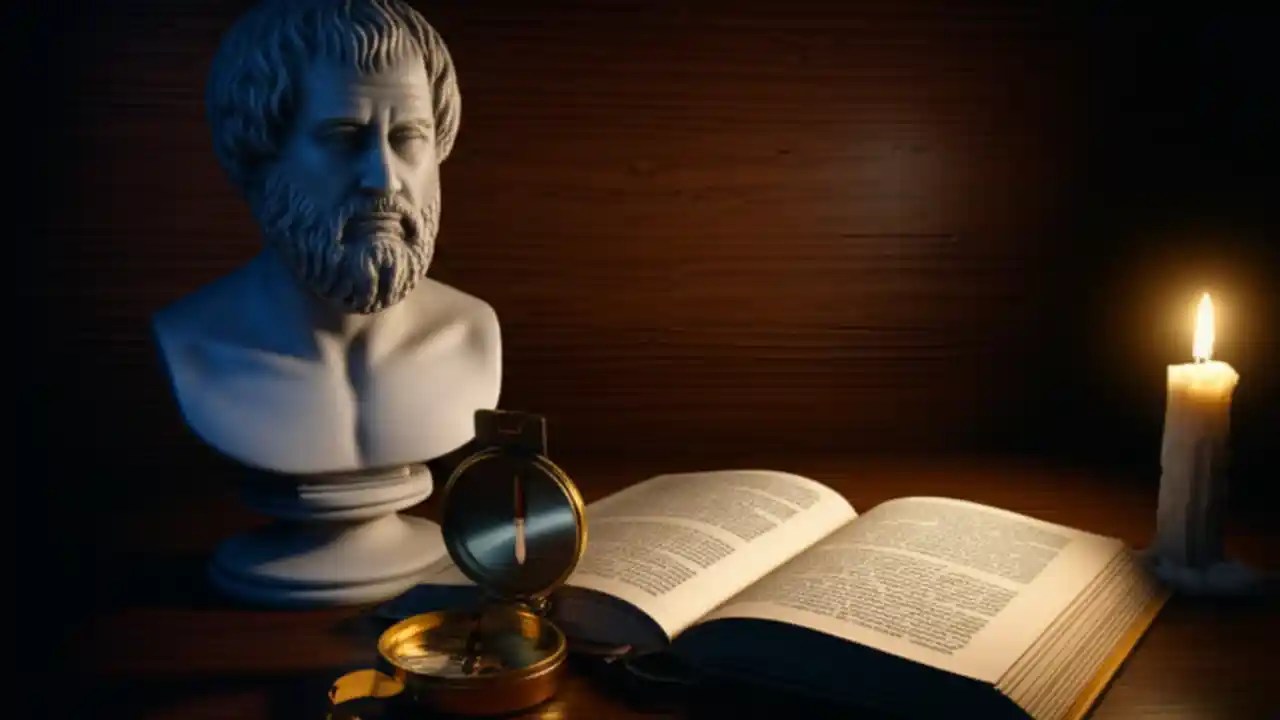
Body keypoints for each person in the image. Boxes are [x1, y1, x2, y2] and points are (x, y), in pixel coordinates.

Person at [152, 0, 501, 475]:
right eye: (344, 137)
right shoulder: (197, 348)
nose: (383, 179)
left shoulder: (471, 335)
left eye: (407, 137)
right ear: (259, 151)